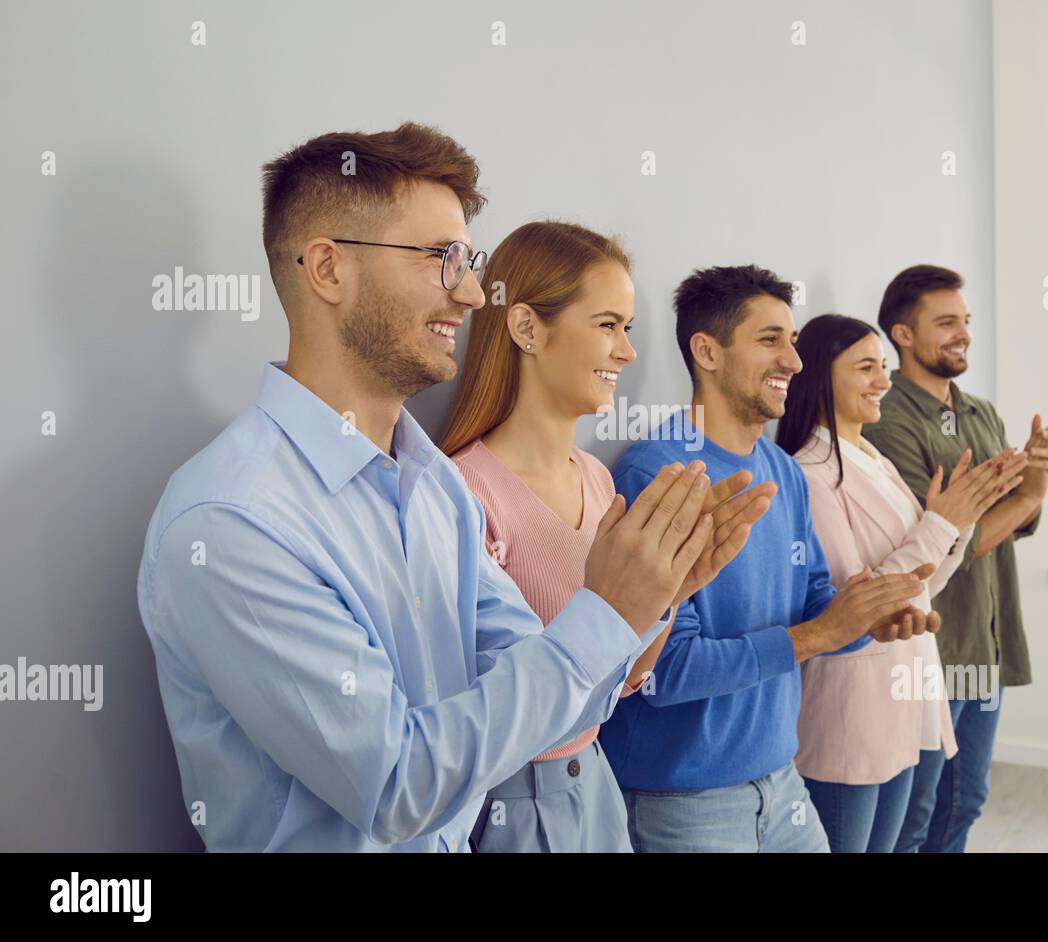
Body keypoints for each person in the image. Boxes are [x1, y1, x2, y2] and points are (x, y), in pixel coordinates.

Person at [136, 122, 721, 852]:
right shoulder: (231, 522)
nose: (474, 294)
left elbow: (557, 709)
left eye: (466, 260)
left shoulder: (435, 486)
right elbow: (397, 787)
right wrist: (606, 612)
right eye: (441, 258)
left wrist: (647, 599)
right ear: (327, 270)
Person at [440, 221, 774, 851]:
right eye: (608, 325)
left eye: (628, 328)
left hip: (593, 783)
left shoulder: (598, 480)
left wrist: (668, 593)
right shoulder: (461, 492)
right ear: (527, 328)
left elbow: (619, 685)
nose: (628, 352)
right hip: (508, 800)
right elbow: (477, 717)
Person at [602, 264, 935, 853]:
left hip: (783, 782)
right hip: (685, 804)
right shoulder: (656, 472)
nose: (795, 362)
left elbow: (813, 604)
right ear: (706, 351)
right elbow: (660, 672)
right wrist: (818, 635)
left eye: (794, 341)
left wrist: (861, 623)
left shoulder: (781, 468)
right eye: (770, 340)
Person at [775, 314, 1024, 852]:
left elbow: (921, 587)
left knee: (902, 843)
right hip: (853, 709)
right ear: (819, 377)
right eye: (866, 367)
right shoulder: (809, 475)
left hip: (909, 691)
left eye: (883, 366)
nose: (884, 381)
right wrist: (939, 523)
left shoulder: (873, 459)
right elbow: (855, 603)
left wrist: (956, 522)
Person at [864, 265, 1048, 853]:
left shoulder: (980, 412)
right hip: (933, 647)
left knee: (966, 800)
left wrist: (1034, 480)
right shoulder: (888, 421)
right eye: (946, 321)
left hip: (986, 637)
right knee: (918, 814)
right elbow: (950, 543)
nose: (963, 333)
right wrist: (1028, 490)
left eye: (966, 321)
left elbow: (1007, 522)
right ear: (902, 334)